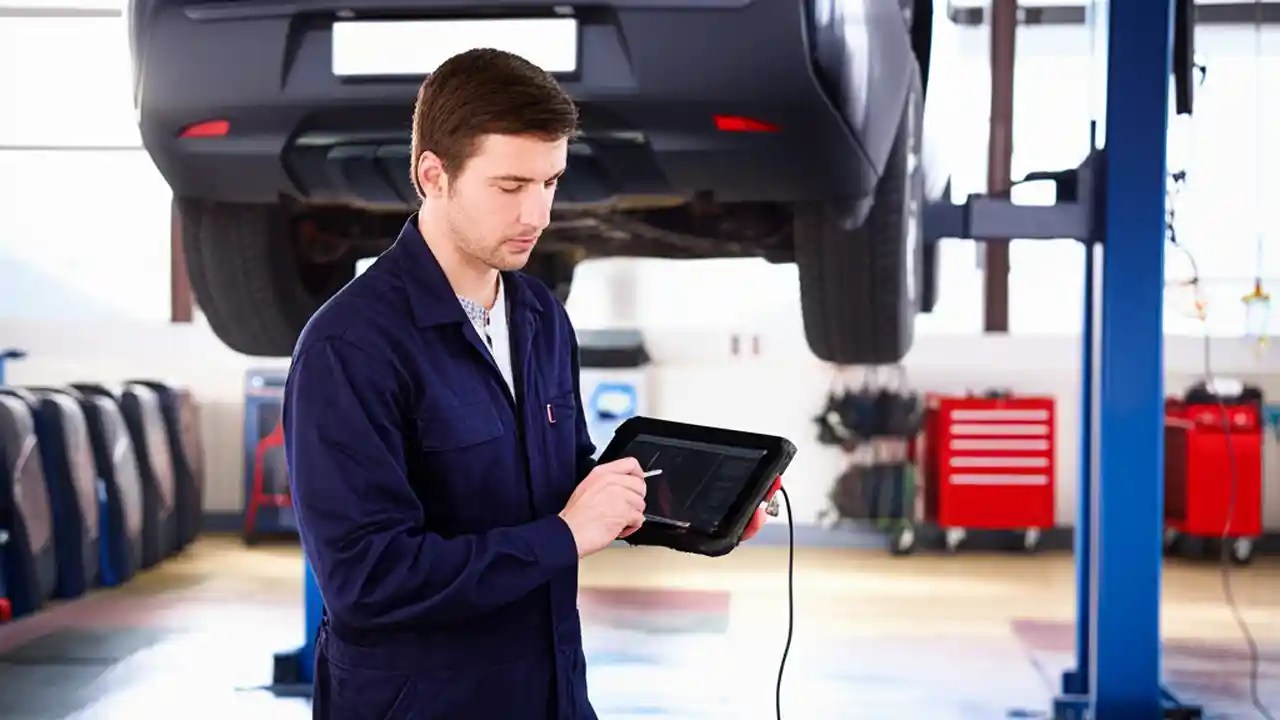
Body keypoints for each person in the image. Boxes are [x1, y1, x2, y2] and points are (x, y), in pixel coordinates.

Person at [283, 48, 771, 720]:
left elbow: (561, 484)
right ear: (434, 175)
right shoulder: (351, 347)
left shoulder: (539, 315)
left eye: (551, 182)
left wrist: (688, 507)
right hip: (419, 704)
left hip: (550, 691)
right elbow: (366, 581)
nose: (537, 214)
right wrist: (565, 535)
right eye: (510, 187)